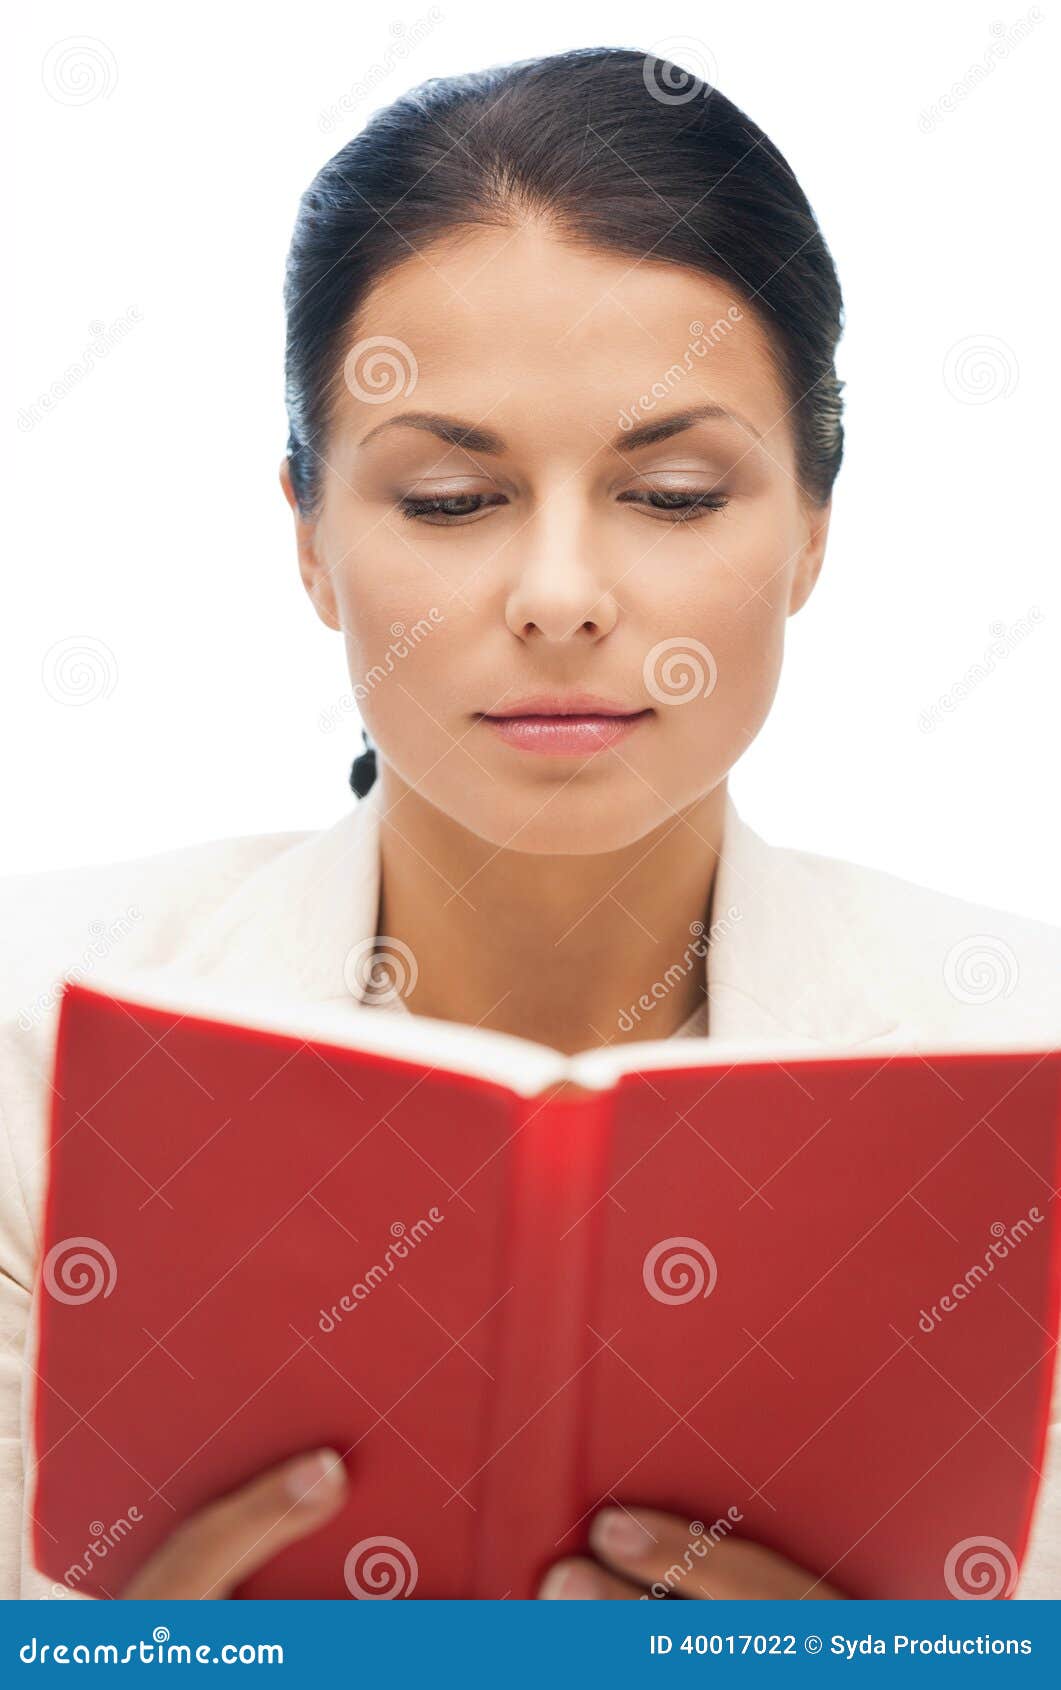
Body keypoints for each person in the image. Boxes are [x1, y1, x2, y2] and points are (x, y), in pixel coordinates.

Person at [2, 46, 1058, 1601]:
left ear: (814, 529)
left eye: (677, 491)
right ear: (305, 537)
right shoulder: (33, 1050)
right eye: (448, 500)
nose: (559, 598)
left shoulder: (1023, 1064)